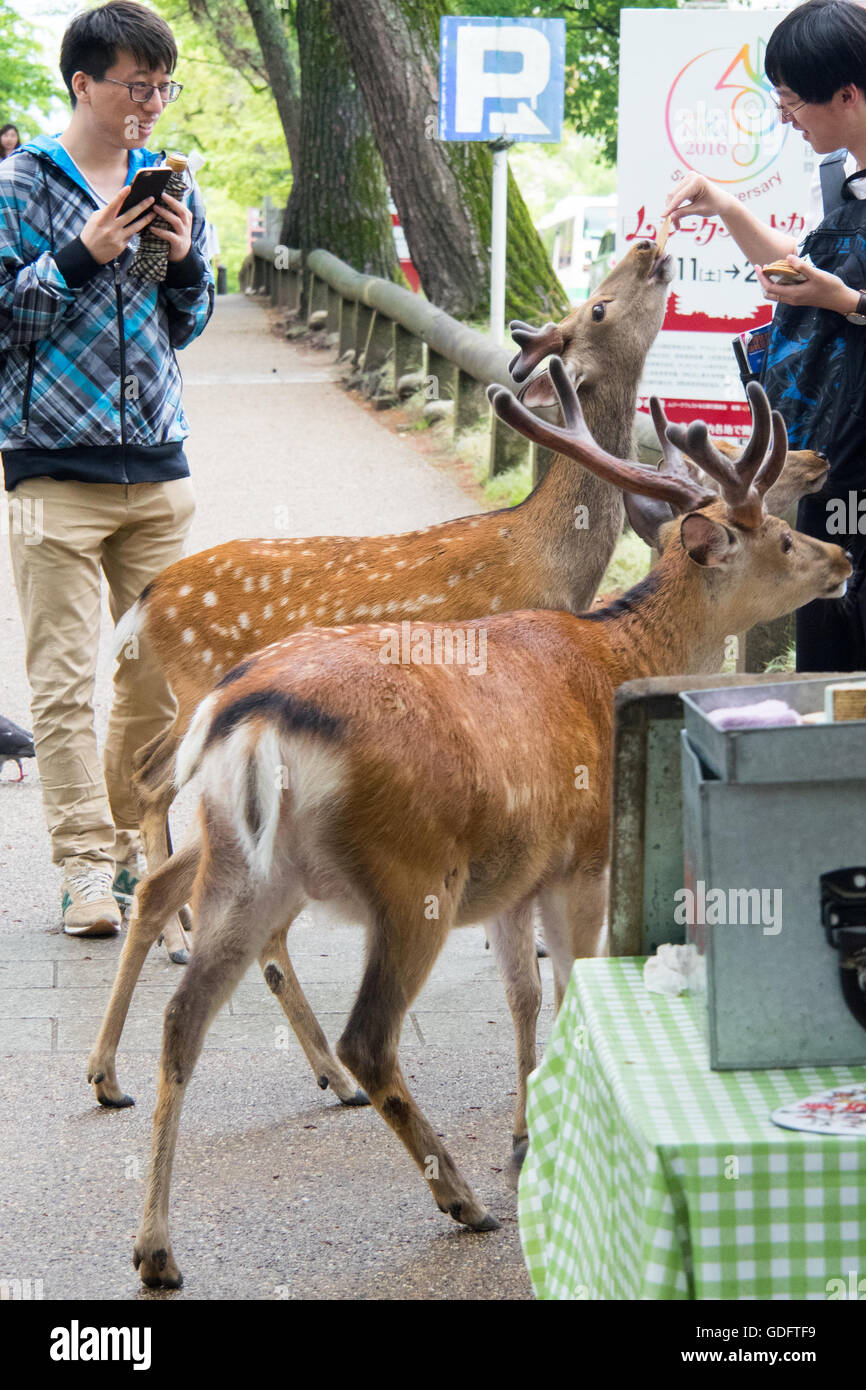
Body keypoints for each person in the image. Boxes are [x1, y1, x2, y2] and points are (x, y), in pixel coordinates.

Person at [0, 2, 214, 937]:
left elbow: (186, 328)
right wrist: (81, 255)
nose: (153, 103)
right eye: (138, 85)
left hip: (159, 472)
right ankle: (84, 870)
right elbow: (11, 317)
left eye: (164, 86)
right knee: (61, 681)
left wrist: (183, 263)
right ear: (84, 82)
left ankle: (135, 853)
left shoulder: (172, 182)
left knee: (157, 680)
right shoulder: (17, 185)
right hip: (51, 471)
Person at [662, 0, 866, 673]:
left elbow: (837, 289)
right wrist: (723, 204)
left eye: (791, 100)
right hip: (830, 453)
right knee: (831, 640)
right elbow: (801, 261)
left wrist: (846, 301)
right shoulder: (839, 179)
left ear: (848, 95)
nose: (783, 117)